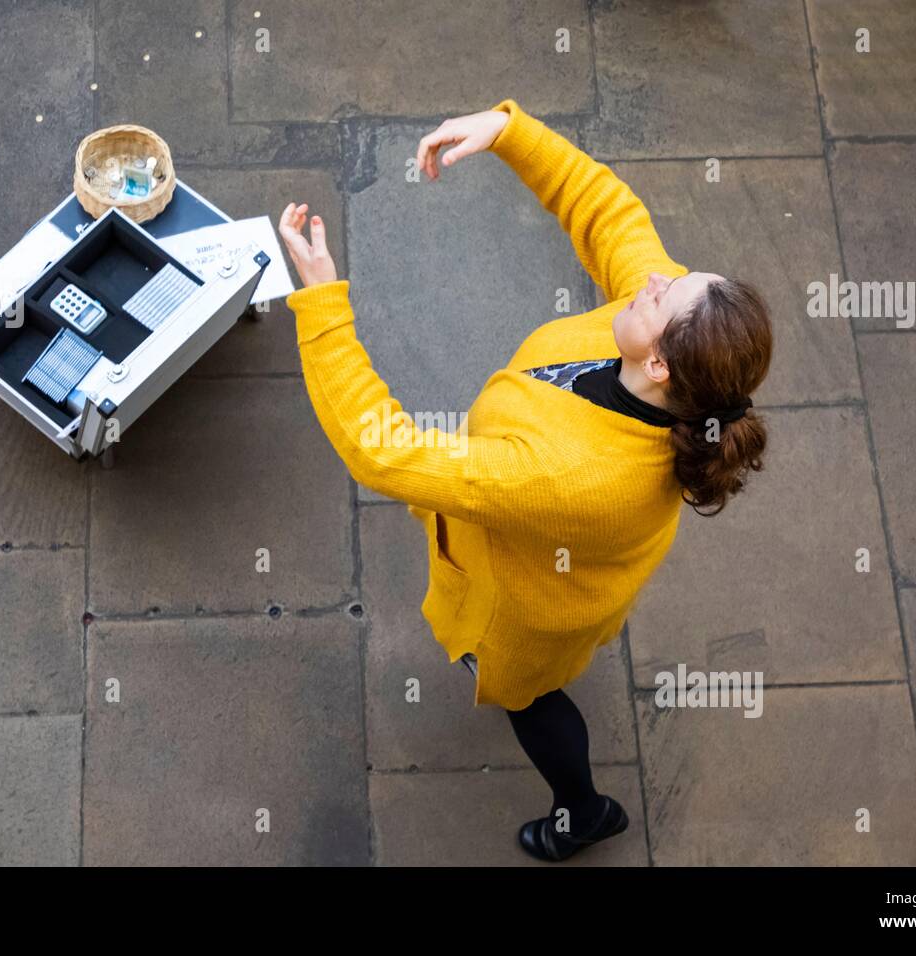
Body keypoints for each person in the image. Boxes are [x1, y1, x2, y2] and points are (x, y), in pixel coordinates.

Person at [278, 98, 773, 862]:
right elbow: (608, 210)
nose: (651, 280)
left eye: (660, 294)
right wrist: (509, 133)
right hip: (566, 559)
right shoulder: (668, 363)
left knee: (526, 695)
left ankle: (583, 811)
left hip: (525, 608)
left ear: (660, 365)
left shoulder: (568, 474)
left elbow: (385, 452)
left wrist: (320, 305)